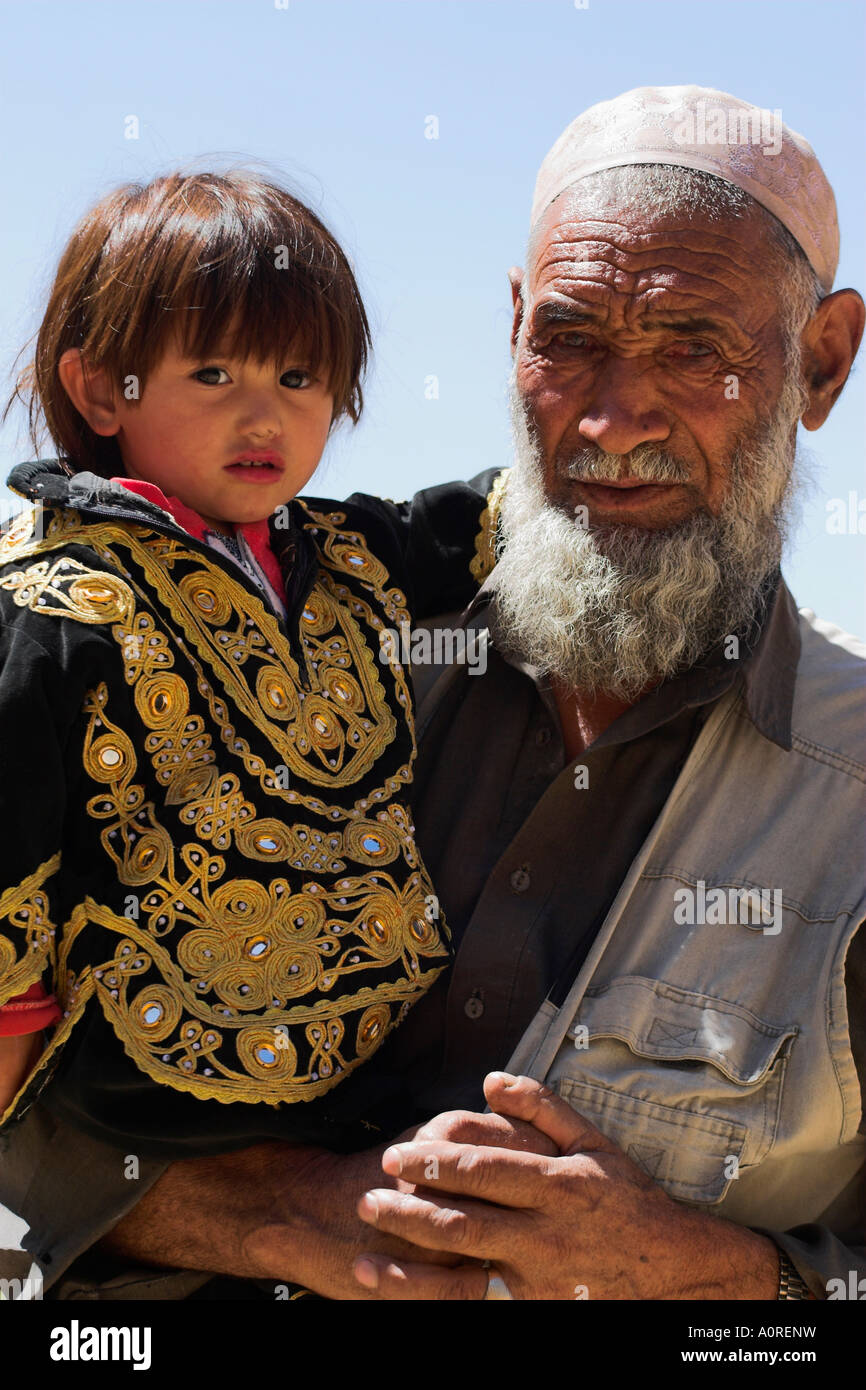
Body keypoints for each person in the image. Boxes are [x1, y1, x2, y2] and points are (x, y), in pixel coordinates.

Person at [1, 85, 864, 1302]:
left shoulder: (850, 792)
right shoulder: (298, 635)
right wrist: (260, 1215)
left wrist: (713, 1278)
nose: (612, 422)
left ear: (819, 363)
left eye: (690, 349)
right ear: (514, 330)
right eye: (568, 339)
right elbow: (39, 1089)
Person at [0, 169, 496, 1168]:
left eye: (299, 379)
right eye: (215, 375)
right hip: (148, 1123)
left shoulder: (352, 553)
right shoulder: (47, 609)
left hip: (373, 1103)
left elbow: (494, 515)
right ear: (100, 387)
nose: (265, 417)